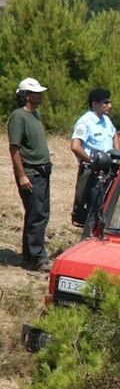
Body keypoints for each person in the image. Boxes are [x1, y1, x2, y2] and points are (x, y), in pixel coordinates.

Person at [8, 77, 52, 271]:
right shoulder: (18, 116)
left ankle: (28, 256)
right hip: (32, 172)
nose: (40, 95)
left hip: (42, 170)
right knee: (38, 215)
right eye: (36, 92)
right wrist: (22, 175)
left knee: (37, 213)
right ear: (26, 95)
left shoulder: (35, 115)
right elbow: (14, 149)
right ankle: (38, 257)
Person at [70, 88, 120, 235]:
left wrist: (115, 155)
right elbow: (75, 146)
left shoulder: (106, 120)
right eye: (106, 102)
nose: (109, 105)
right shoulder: (85, 122)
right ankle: (88, 239)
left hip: (108, 171)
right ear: (94, 104)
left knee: (106, 207)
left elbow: (114, 134)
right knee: (93, 210)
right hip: (93, 172)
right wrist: (94, 161)